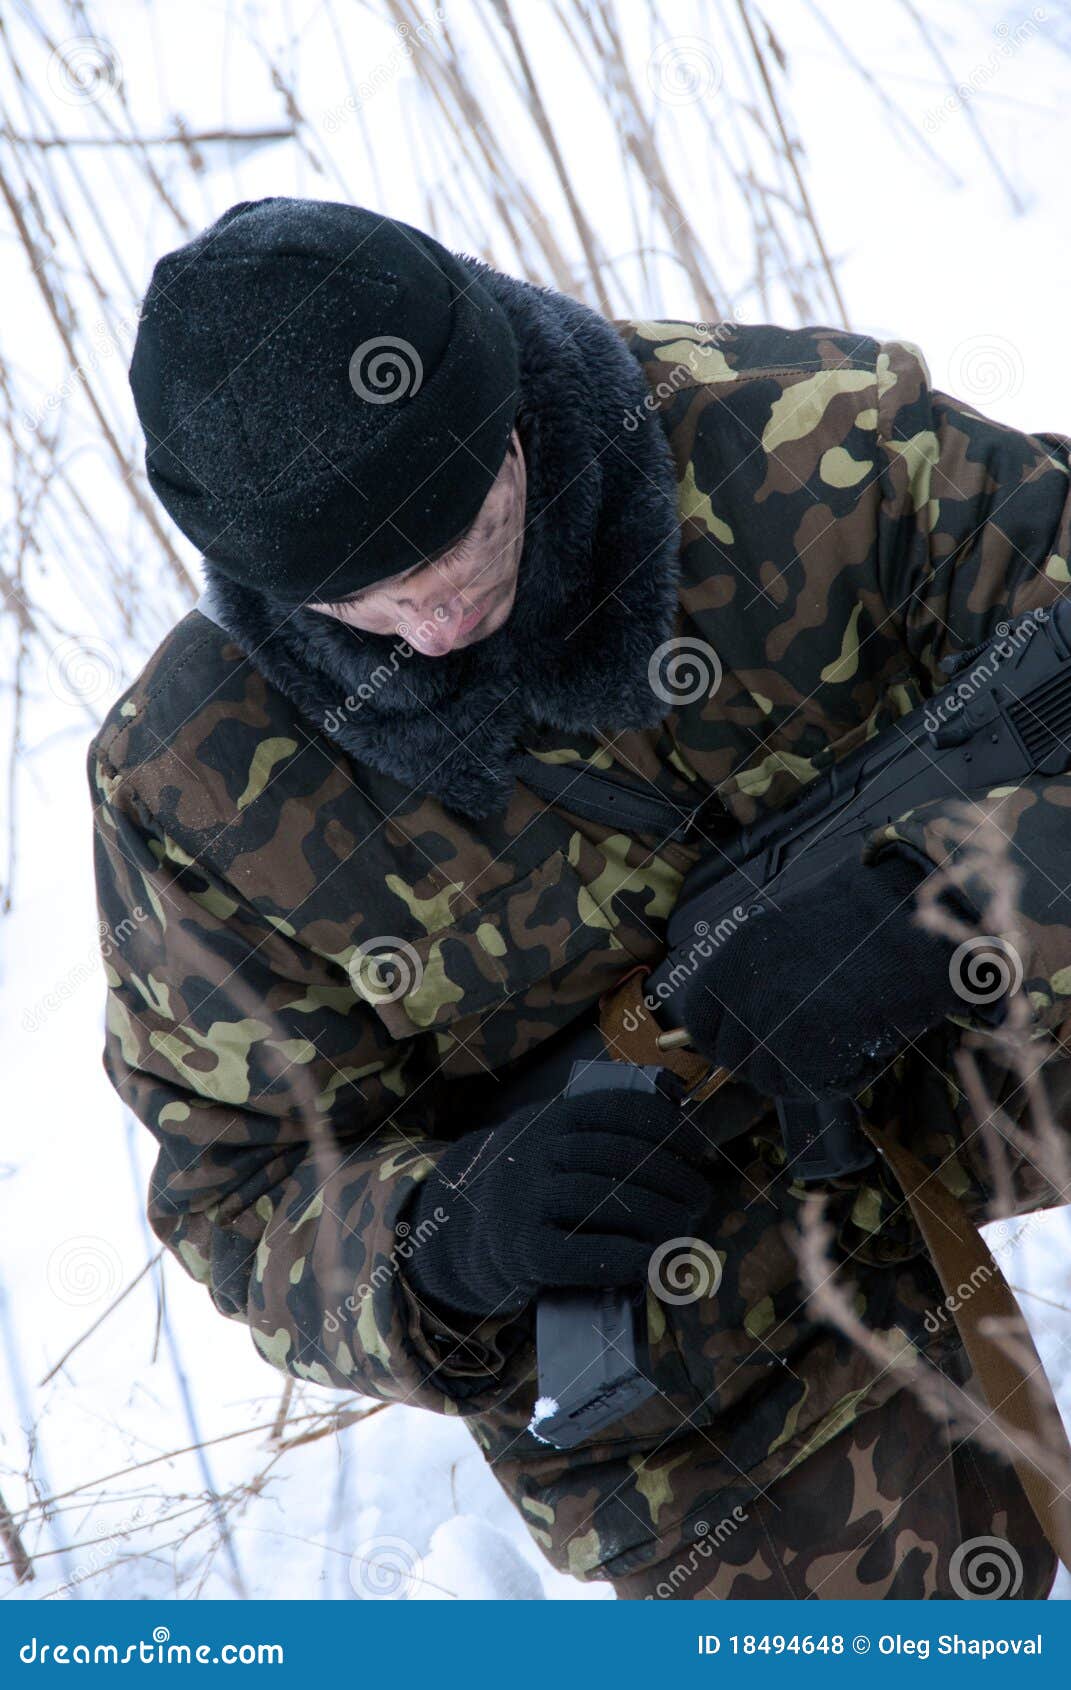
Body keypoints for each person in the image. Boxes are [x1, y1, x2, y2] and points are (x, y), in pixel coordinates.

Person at [89, 196, 1071, 1598]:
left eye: (456, 541)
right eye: (361, 600)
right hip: (698, 1270)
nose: (430, 625)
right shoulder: (187, 783)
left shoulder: (811, 443)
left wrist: (957, 900)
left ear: (509, 423)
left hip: (1000, 1021)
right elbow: (238, 1182)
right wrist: (445, 1245)